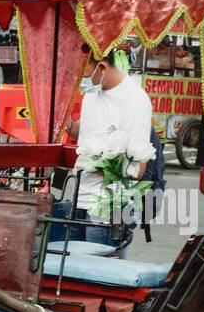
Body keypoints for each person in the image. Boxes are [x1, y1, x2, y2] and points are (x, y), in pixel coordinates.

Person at [59, 50, 154, 246]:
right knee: (72, 270)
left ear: (101, 67)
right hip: (79, 201)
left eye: (83, 73)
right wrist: (67, 122)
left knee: (99, 271)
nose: (80, 79)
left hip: (108, 209)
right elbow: (86, 133)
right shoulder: (92, 93)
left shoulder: (134, 101)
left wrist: (95, 162)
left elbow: (138, 168)